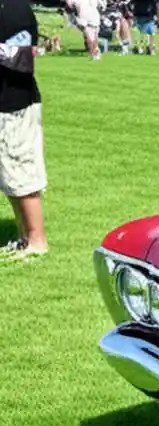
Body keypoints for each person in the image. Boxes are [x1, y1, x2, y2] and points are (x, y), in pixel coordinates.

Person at [0, 0, 47, 265]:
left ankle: (37, 241)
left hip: (15, 105)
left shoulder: (15, 10)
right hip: (5, 105)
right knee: (9, 176)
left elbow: (24, 60)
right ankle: (23, 237)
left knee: (22, 173)